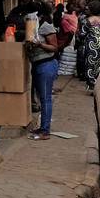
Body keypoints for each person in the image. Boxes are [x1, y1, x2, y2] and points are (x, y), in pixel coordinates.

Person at [27, 11, 61, 141]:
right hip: (37, 65)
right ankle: (42, 128)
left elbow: (54, 47)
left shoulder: (45, 26)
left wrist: (39, 44)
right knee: (42, 98)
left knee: (46, 99)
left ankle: (45, 131)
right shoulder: (31, 28)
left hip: (46, 65)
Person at [81, 0, 100, 90]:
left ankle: (92, 85)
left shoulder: (86, 21)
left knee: (90, 65)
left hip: (90, 46)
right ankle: (99, 85)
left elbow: (81, 34)